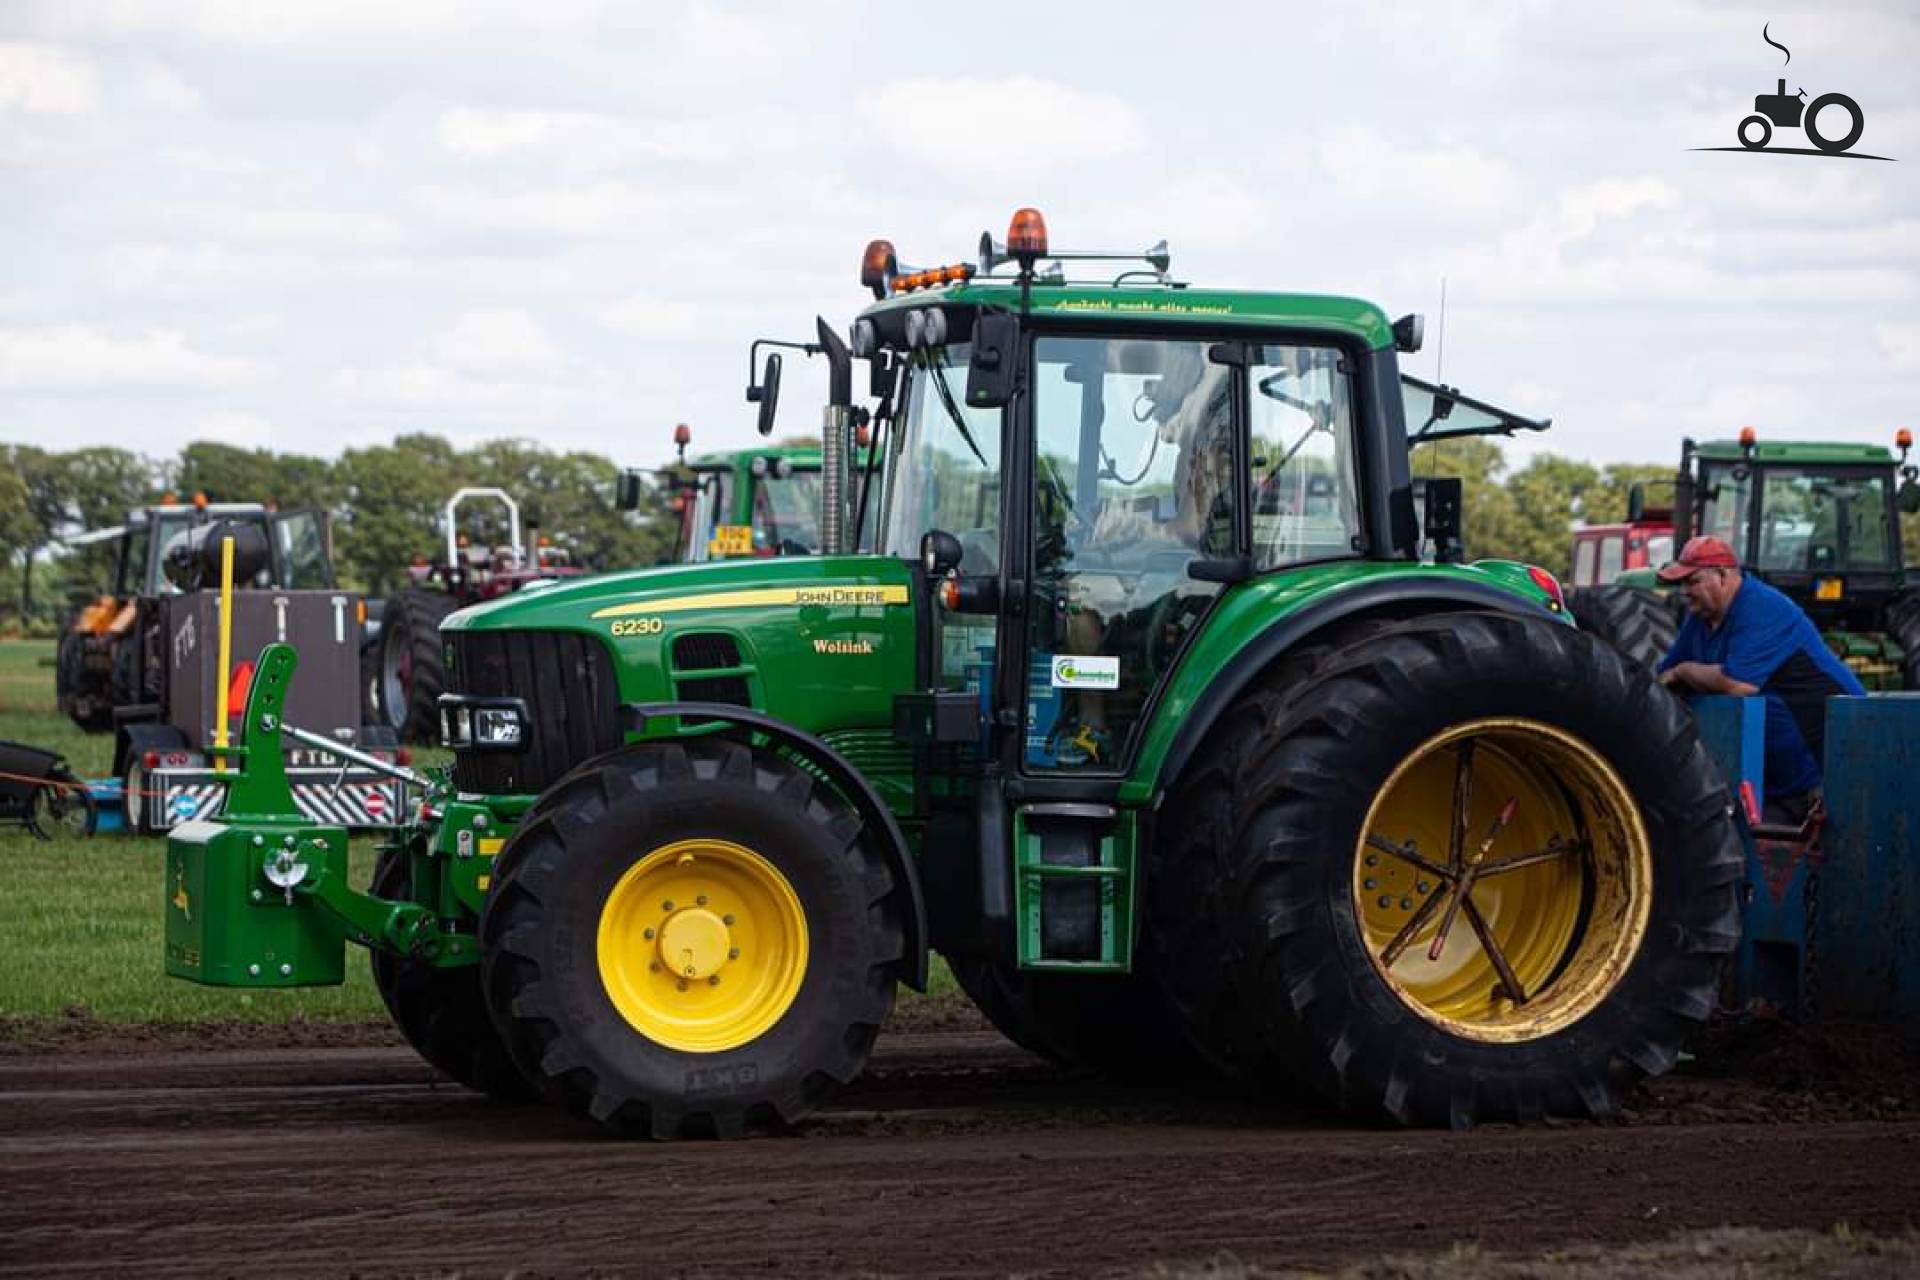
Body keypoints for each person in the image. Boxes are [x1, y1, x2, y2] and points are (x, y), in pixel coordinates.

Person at [1654, 534, 1865, 823]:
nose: (1684, 592)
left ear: (1722, 576)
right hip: (1770, 778)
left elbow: (1738, 684)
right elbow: (1664, 676)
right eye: (1681, 583)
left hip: (1824, 771)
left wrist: (1685, 673)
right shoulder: (1701, 618)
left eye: (1692, 582)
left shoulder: (1762, 608)